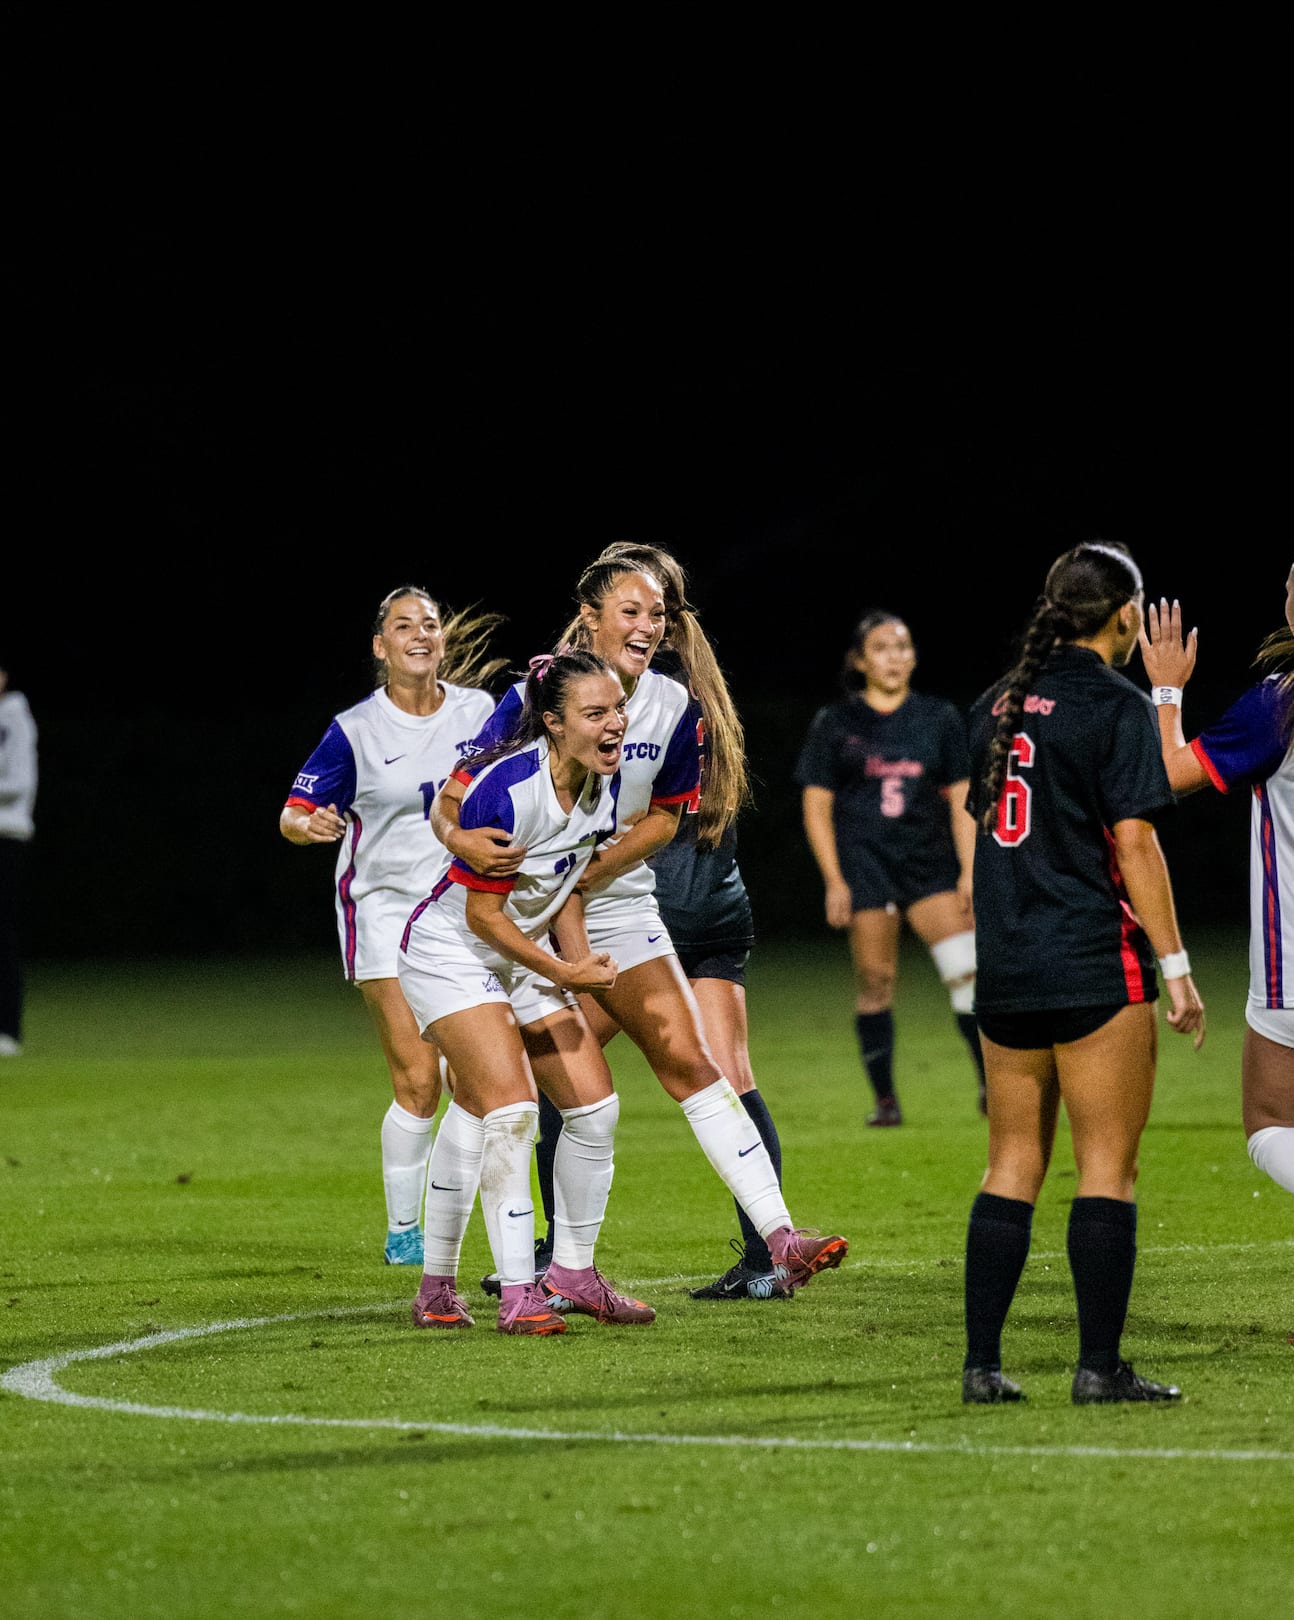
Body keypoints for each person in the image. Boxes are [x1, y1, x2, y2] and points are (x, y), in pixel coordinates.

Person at [434, 557, 850, 1303]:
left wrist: (594, 869)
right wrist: (456, 836)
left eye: (657, 615)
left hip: (618, 906)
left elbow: (667, 816)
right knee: (509, 1092)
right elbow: (460, 789)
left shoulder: (673, 704)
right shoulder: (543, 697)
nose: (648, 627)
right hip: (520, 913)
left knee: (689, 1061)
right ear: (590, 615)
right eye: (631, 611)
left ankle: (779, 1239)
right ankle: (452, 1271)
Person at [959, 540, 1205, 1408]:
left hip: (1007, 971)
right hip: (1093, 962)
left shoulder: (994, 703)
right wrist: (1176, 969)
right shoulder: (1115, 703)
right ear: (1128, 617)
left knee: (1011, 1162)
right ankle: (1098, 1368)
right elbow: (1135, 843)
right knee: (1107, 1167)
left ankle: (981, 1367)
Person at [397, 647, 657, 1334]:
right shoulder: (508, 789)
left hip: (520, 957)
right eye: (595, 713)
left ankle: (569, 1271)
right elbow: (482, 915)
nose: (615, 724)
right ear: (552, 722)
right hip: (451, 953)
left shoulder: (601, 783)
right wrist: (568, 976)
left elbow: (563, 887)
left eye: (618, 710)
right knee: (510, 1109)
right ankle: (518, 1294)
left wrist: (577, 960)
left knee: (595, 1109)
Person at [280, 586, 503, 1265]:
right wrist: (307, 825)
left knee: (479, 1084)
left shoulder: (480, 712)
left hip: (463, 910)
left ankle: (458, 1216)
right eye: (403, 625)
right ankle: (404, 1230)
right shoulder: (355, 730)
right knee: (418, 1080)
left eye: (429, 624)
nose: (420, 633)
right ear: (381, 647)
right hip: (382, 911)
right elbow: (292, 812)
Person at [795, 611, 987, 1126]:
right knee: (876, 982)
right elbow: (817, 805)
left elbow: (963, 799)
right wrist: (834, 880)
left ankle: (993, 1087)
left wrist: (970, 871)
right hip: (867, 871)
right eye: (881, 647)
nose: (895, 656)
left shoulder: (940, 718)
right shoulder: (836, 723)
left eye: (903, 646)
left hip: (931, 870)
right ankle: (885, 1101)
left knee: (967, 975)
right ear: (859, 660)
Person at [1139, 570, 1294, 1203]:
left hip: (1292, 962)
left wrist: (1167, 691)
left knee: (1269, 1125)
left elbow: (1166, 775)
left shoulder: (1279, 702)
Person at [0, 667, 37, 1058]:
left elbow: (20, 785)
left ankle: (8, 1029)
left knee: (4, 936)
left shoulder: (14, 716)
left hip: (7, 836)